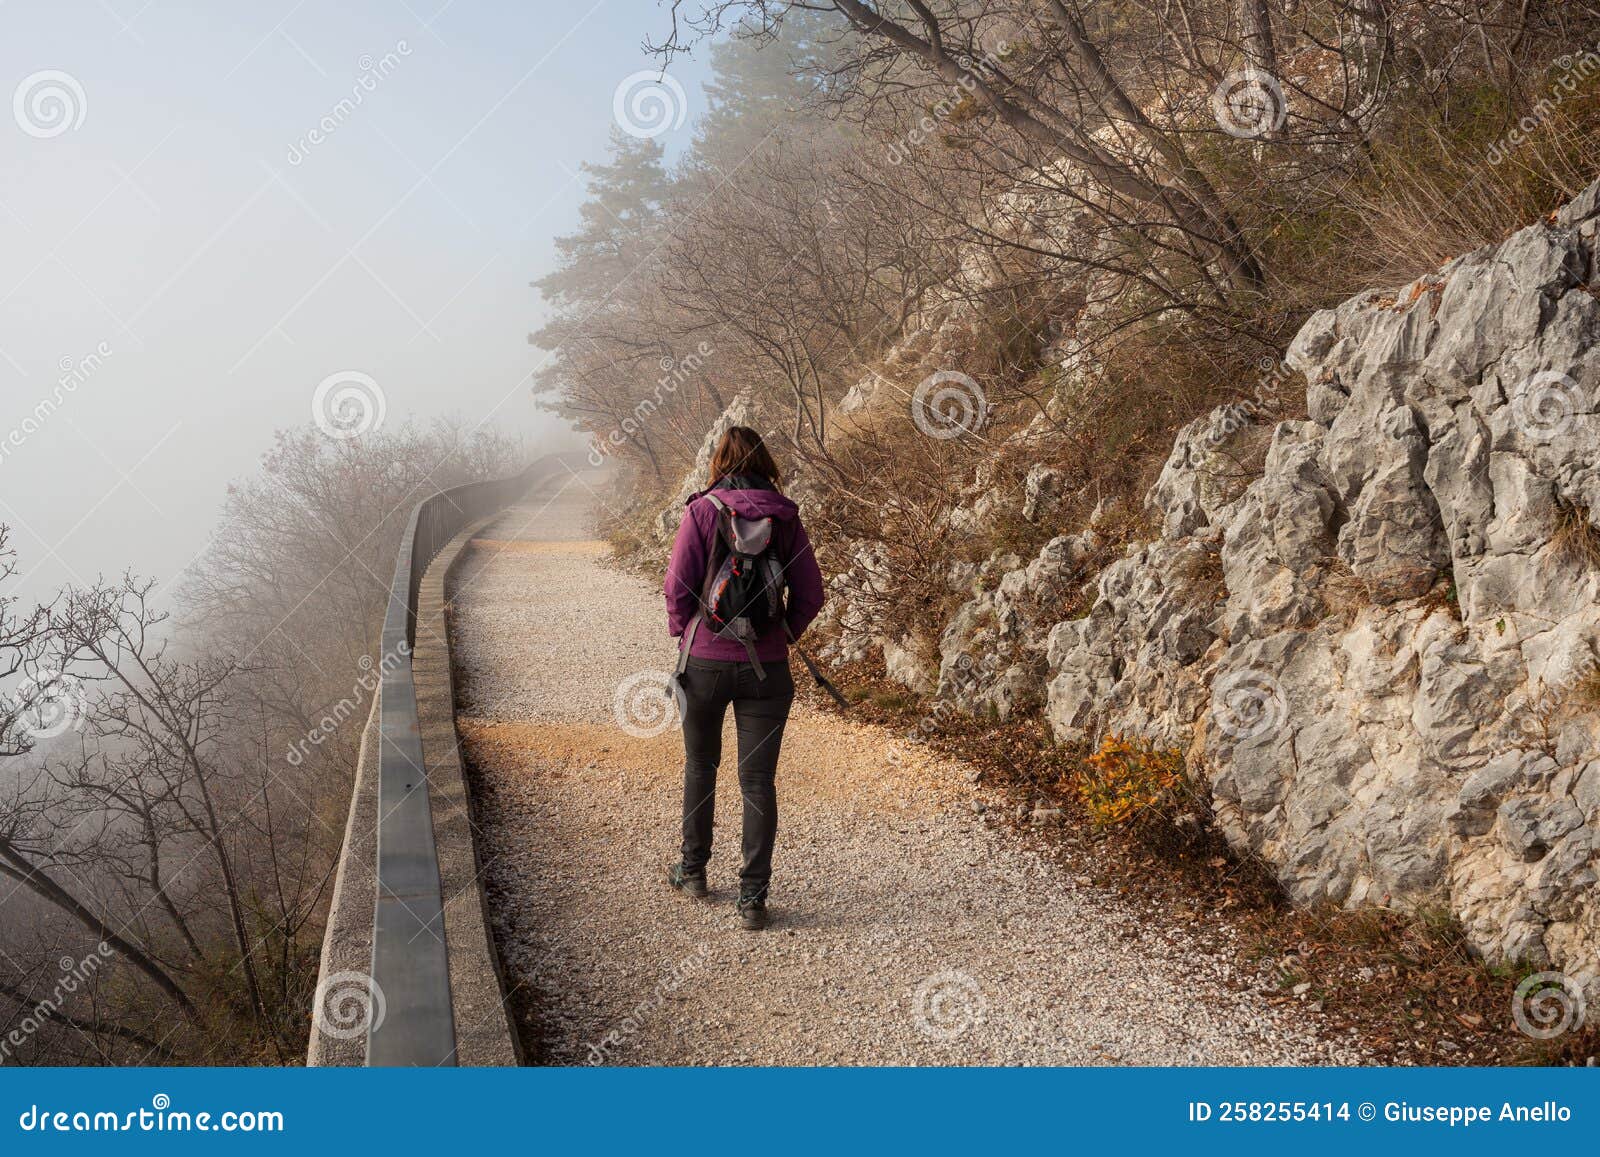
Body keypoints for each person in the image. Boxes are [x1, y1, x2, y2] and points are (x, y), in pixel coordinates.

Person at [662, 426, 825, 930]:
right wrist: (779, 633)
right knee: (757, 780)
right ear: (766, 463)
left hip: (704, 665)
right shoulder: (785, 516)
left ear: (719, 463)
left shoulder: (703, 510)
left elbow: (677, 586)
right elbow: (811, 594)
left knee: (700, 765)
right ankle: (753, 898)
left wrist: (686, 632)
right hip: (767, 671)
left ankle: (693, 871)